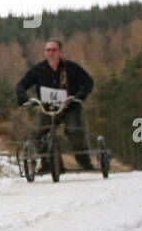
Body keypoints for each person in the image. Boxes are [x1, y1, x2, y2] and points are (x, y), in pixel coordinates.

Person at [15, 38, 95, 169]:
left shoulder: (71, 68)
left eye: (54, 50)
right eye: (48, 50)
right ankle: (48, 162)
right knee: (37, 134)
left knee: (74, 131)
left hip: (69, 107)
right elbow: (22, 84)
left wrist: (82, 93)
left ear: (60, 52)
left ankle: (84, 161)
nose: (50, 53)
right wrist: (21, 94)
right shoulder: (38, 69)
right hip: (47, 108)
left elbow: (88, 81)